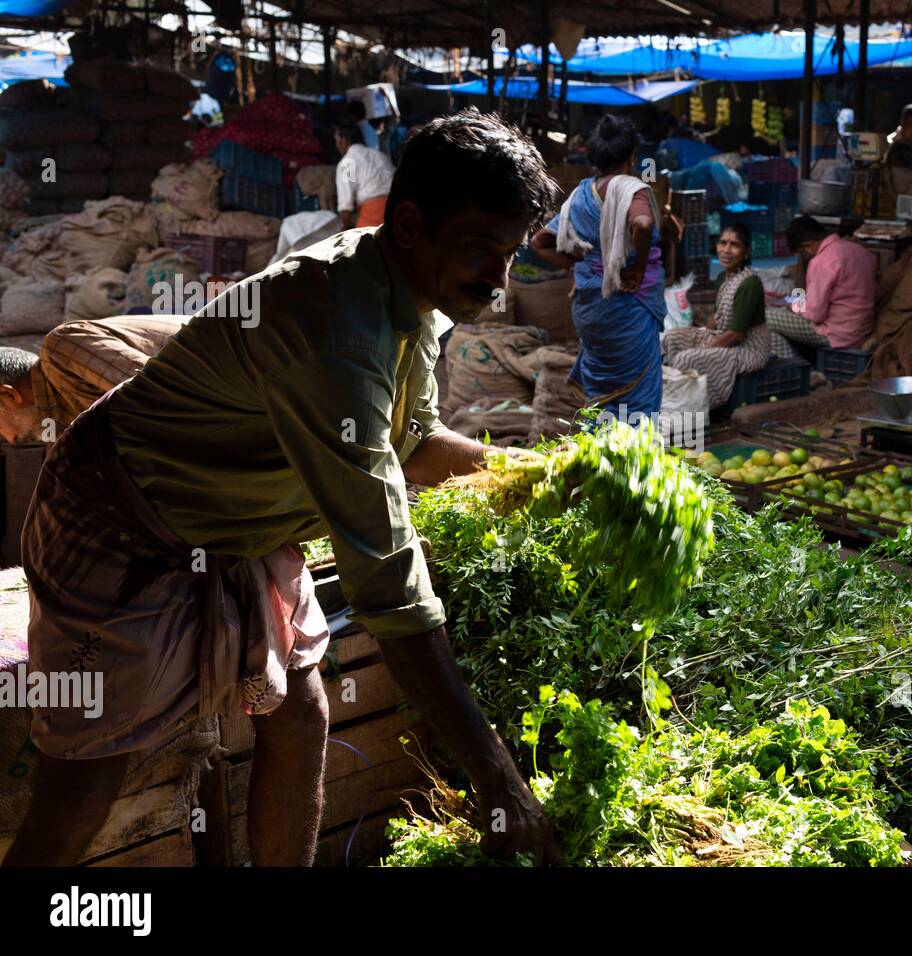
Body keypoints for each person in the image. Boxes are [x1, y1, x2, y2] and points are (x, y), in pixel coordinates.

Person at [2, 109, 564, 868]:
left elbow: (414, 440)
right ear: (409, 225)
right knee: (84, 788)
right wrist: (497, 778)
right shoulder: (338, 333)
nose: (497, 278)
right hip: (118, 517)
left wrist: (537, 473)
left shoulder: (411, 298)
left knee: (298, 714)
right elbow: (390, 589)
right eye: (479, 248)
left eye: (509, 252)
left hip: (234, 525)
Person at [530, 114, 667, 420]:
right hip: (627, 307)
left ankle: (600, 446)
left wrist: (580, 268)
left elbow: (539, 242)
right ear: (632, 157)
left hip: (591, 310)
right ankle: (631, 449)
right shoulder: (632, 189)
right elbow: (643, 225)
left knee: (601, 401)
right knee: (637, 401)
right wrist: (637, 269)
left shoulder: (580, 195)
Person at [0, 316, 184, 443]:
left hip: (198, 381)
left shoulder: (61, 348)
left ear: (9, 395)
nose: (10, 439)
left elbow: (162, 396)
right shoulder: (53, 419)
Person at [661, 223, 771, 409]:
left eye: (734, 245)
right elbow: (716, 315)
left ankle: (688, 408)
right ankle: (675, 397)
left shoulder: (749, 284)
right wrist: (702, 334)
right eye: (723, 243)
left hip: (749, 348)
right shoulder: (722, 277)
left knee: (686, 359)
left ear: (746, 251)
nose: (726, 250)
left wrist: (704, 348)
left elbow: (737, 335)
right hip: (724, 337)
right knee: (672, 338)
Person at [768, 215, 876, 359]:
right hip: (861, 332)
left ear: (807, 246)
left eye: (801, 254)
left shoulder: (821, 262)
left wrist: (792, 306)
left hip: (837, 335)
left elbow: (815, 314)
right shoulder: (860, 251)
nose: (803, 259)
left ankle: (796, 365)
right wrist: (791, 300)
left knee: (766, 317)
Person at [334, 123, 395, 229]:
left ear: (343, 141)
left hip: (373, 216)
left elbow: (346, 205)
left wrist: (342, 232)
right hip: (396, 209)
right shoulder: (379, 155)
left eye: (337, 141)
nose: (337, 145)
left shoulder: (347, 162)